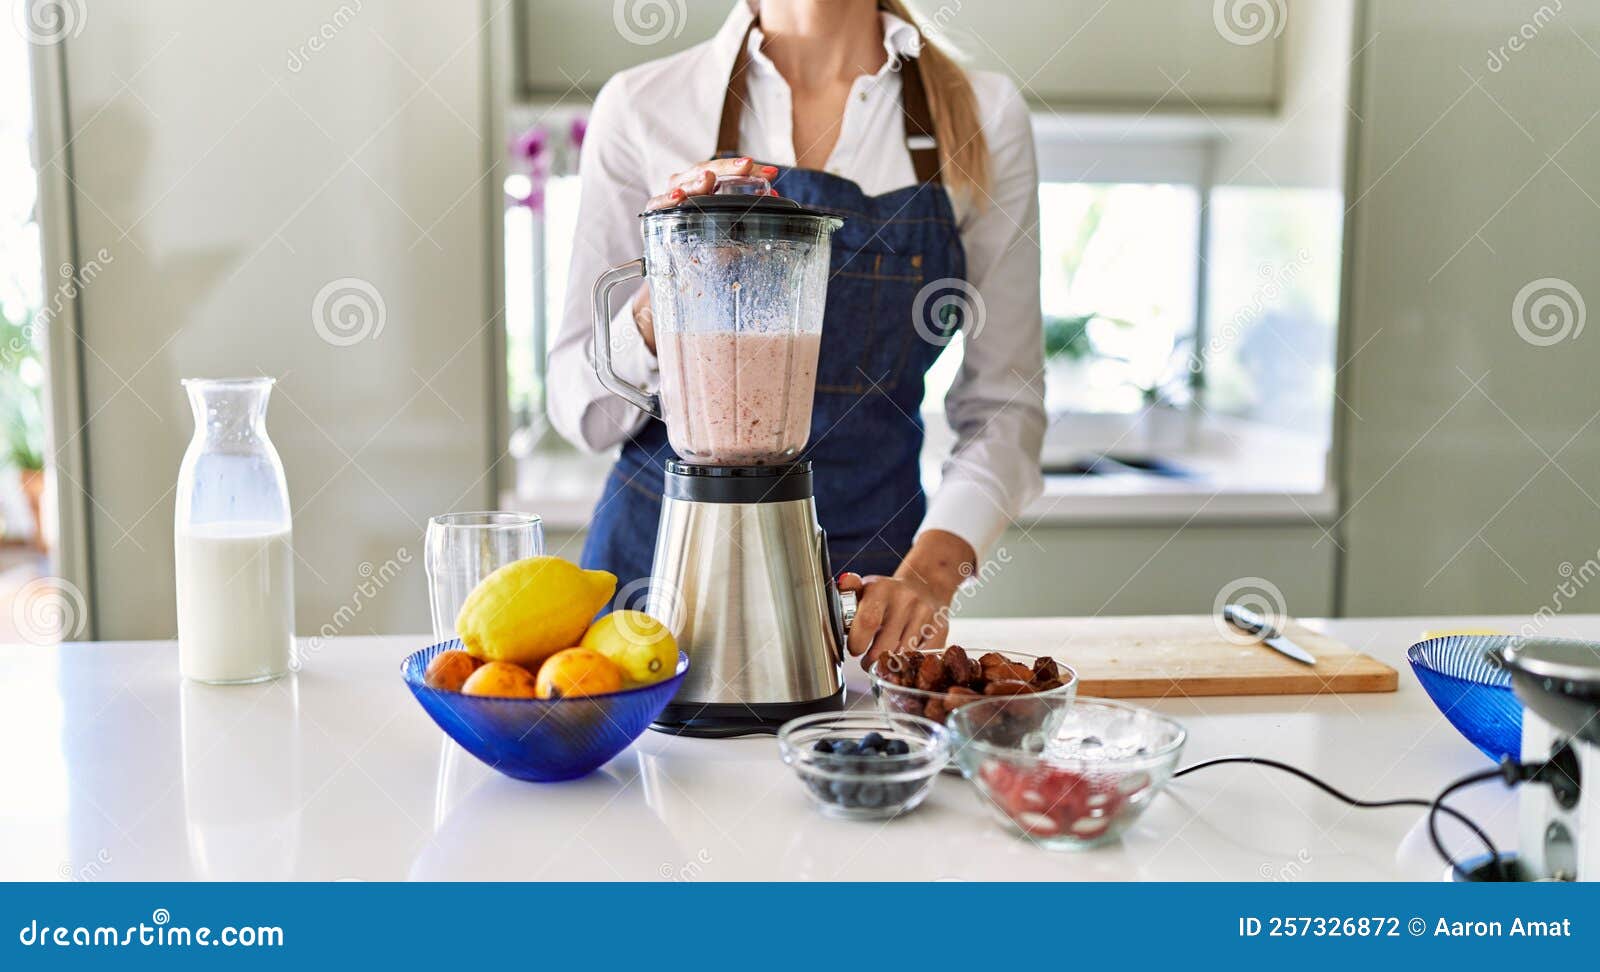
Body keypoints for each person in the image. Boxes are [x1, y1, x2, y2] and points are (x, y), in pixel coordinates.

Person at [549, 0, 1044, 668]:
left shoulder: (983, 114)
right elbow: (583, 411)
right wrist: (673, 277)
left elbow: (1005, 408)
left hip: (867, 601)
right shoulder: (644, 105)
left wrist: (926, 581)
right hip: (656, 585)